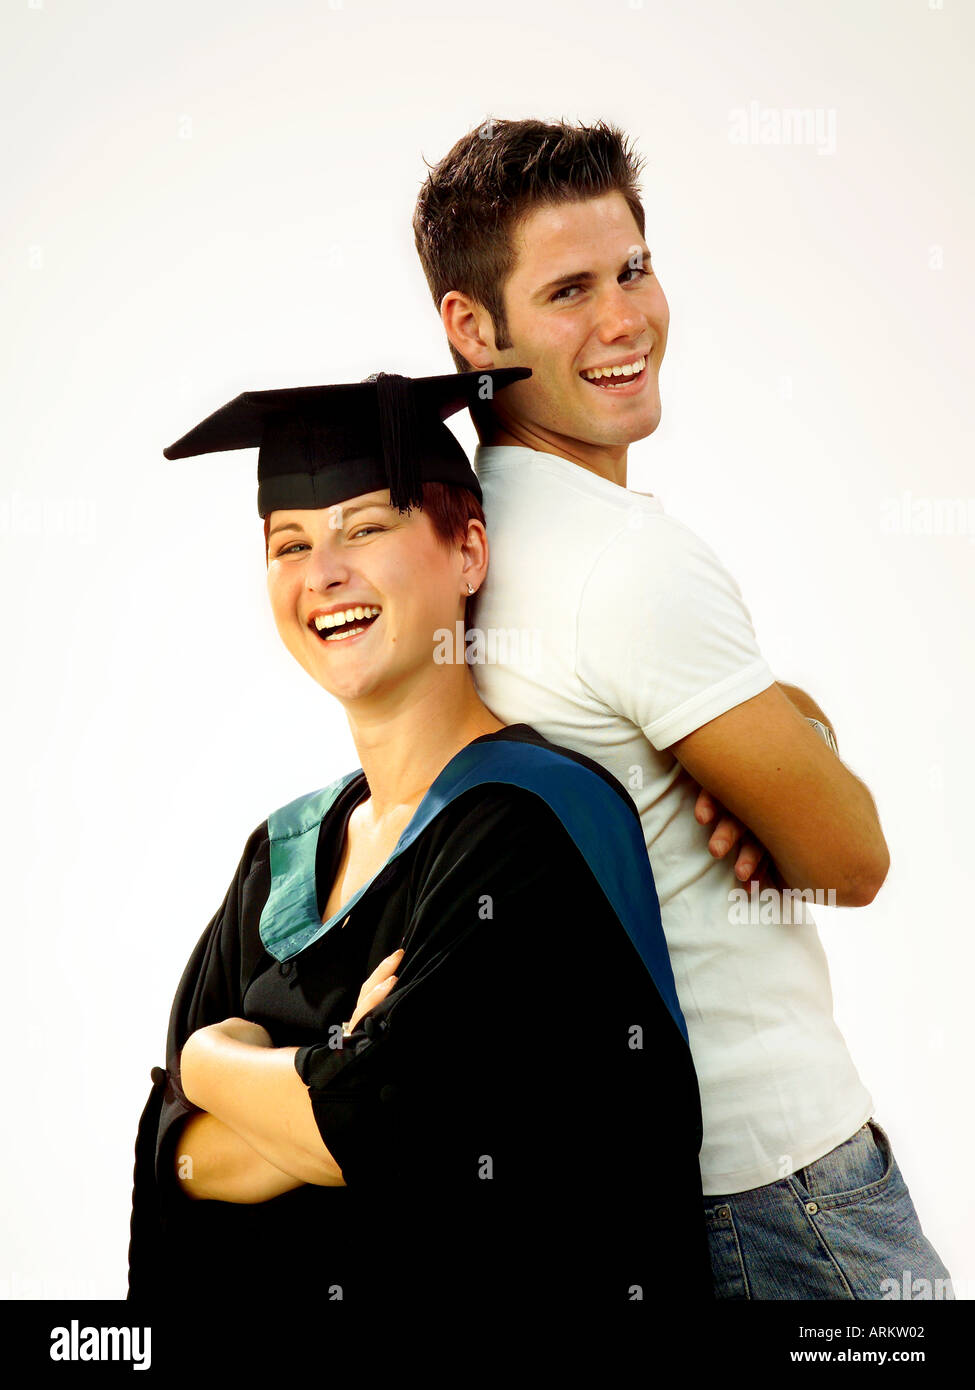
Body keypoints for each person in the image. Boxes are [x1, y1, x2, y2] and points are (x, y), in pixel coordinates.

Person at [412, 118, 953, 1300]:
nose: (623, 321)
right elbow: (852, 859)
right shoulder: (627, 566)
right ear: (470, 327)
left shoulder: (460, 540)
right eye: (567, 290)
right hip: (783, 1181)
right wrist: (797, 755)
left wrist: (779, 723)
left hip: (632, 1183)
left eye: (633, 270)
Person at [126, 367, 713, 1310]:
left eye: (366, 527)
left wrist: (211, 1062)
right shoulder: (279, 852)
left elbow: (392, 1132)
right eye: (290, 543)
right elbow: (174, 1163)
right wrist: (325, 1072)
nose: (324, 573)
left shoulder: (537, 824)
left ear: (469, 552)